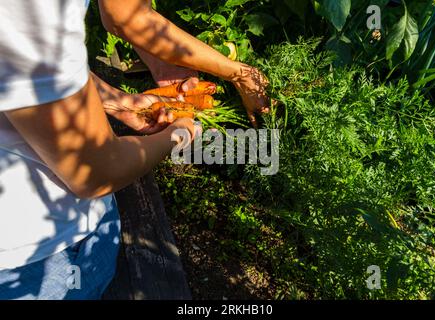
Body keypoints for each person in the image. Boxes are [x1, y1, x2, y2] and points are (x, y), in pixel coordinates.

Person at [0, 0, 269, 300]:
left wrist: (117, 101)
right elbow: (95, 173)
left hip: (70, 224)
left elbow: (124, 16)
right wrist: (179, 134)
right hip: (33, 254)